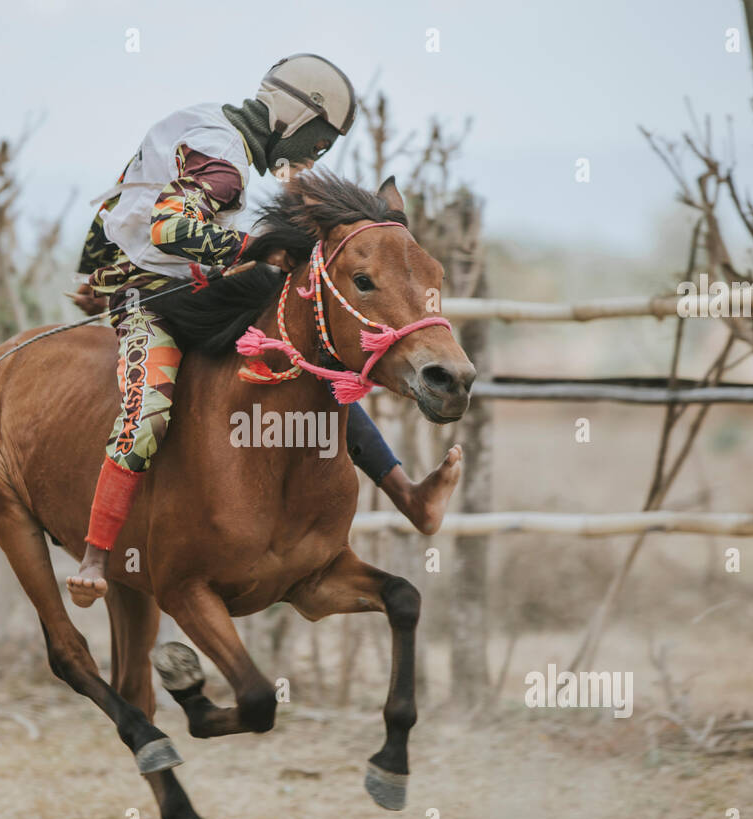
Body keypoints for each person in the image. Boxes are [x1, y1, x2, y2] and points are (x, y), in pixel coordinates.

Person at [66, 53, 463, 608]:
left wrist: (100, 267)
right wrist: (253, 249)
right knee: (149, 409)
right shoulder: (225, 156)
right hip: (151, 301)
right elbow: (169, 225)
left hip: (183, 284)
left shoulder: (211, 129)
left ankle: (410, 496)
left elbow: (130, 208)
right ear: (295, 119)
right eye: (317, 144)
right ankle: (96, 555)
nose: (312, 158)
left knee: (310, 359)